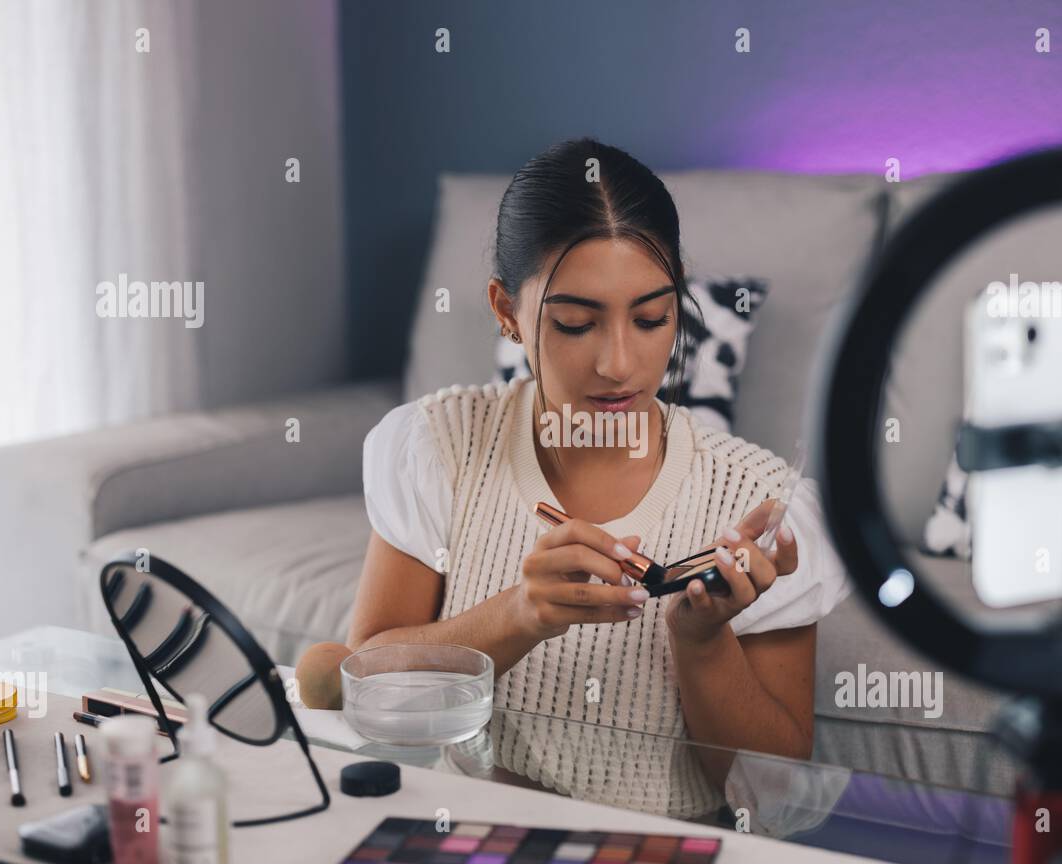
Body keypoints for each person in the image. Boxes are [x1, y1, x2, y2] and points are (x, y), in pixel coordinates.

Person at [296, 137, 853, 817]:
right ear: (506, 312)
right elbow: (371, 687)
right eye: (574, 323)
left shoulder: (756, 503)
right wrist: (519, 615)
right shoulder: (439, 446)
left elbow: (774, 793)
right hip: (477, 835)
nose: (619, 363)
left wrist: (702, 644)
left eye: (651, 317)